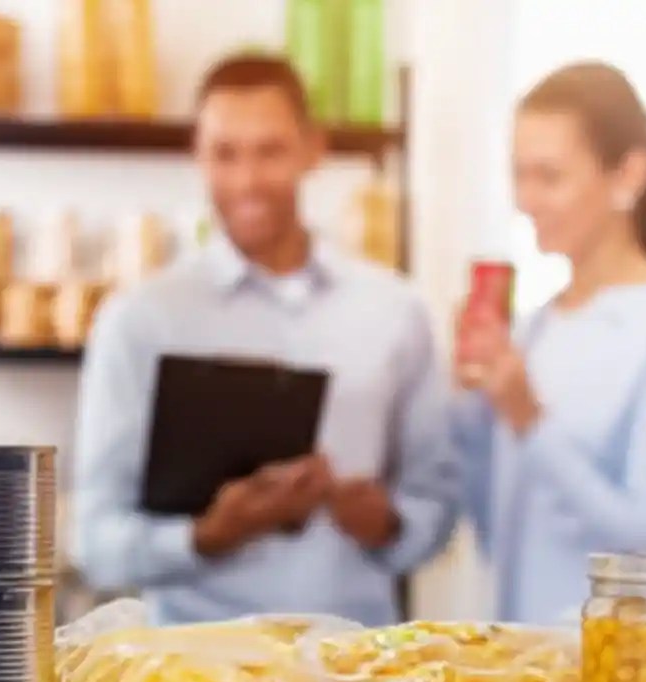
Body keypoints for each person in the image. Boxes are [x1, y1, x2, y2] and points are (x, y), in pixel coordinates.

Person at [71, 54, 458, 626]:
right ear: (198, 157)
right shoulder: (139, 321)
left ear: (312, 149)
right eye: (224, 154)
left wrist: (383, 522)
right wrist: (210, 534)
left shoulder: (395, 312)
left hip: (355, 676)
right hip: (196, 680)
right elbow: (96, 543)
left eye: (270, 151)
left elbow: (436, 512)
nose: (247, 180)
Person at [455, 62, 646, 624]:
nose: (526, 199)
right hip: (522, 661)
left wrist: (530, 421)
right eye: (518, 174)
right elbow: (497, 534)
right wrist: (472, 408)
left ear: (627, 176)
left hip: (609, 667)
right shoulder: (538, 326)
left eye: (549, 176)